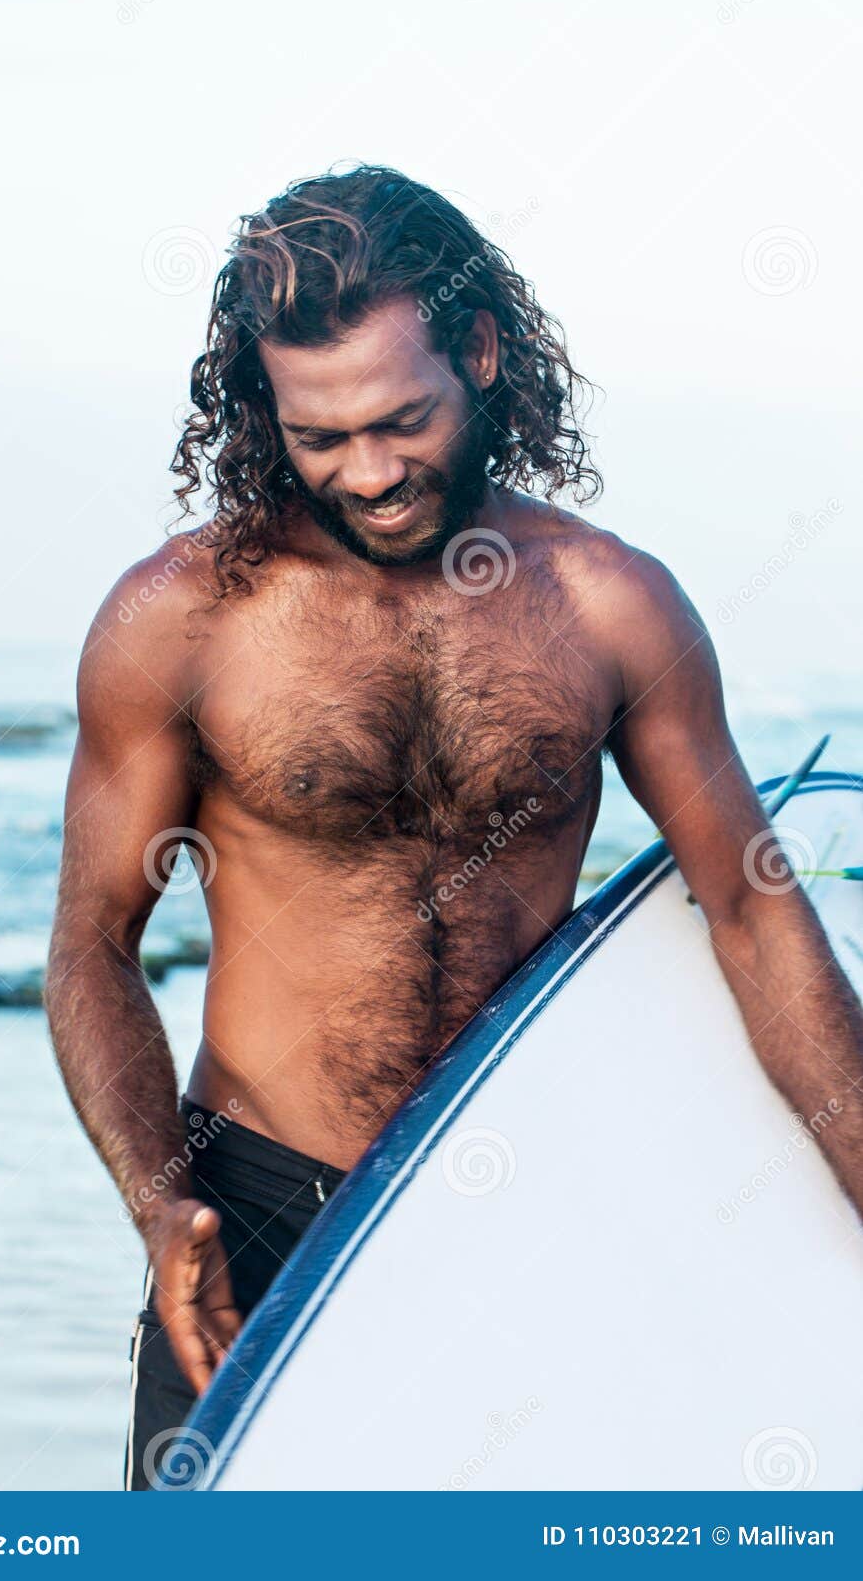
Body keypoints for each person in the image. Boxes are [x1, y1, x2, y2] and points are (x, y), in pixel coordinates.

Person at [44, 165, 863, 1490]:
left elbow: (752, 912)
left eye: (401, 421)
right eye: (319, 437)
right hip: (254, 1216)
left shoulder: (608, 605)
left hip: (521, 1205)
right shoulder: (180, 621)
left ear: (480, 353)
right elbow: (91, 945)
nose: (368, 474)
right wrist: (161, 1201)